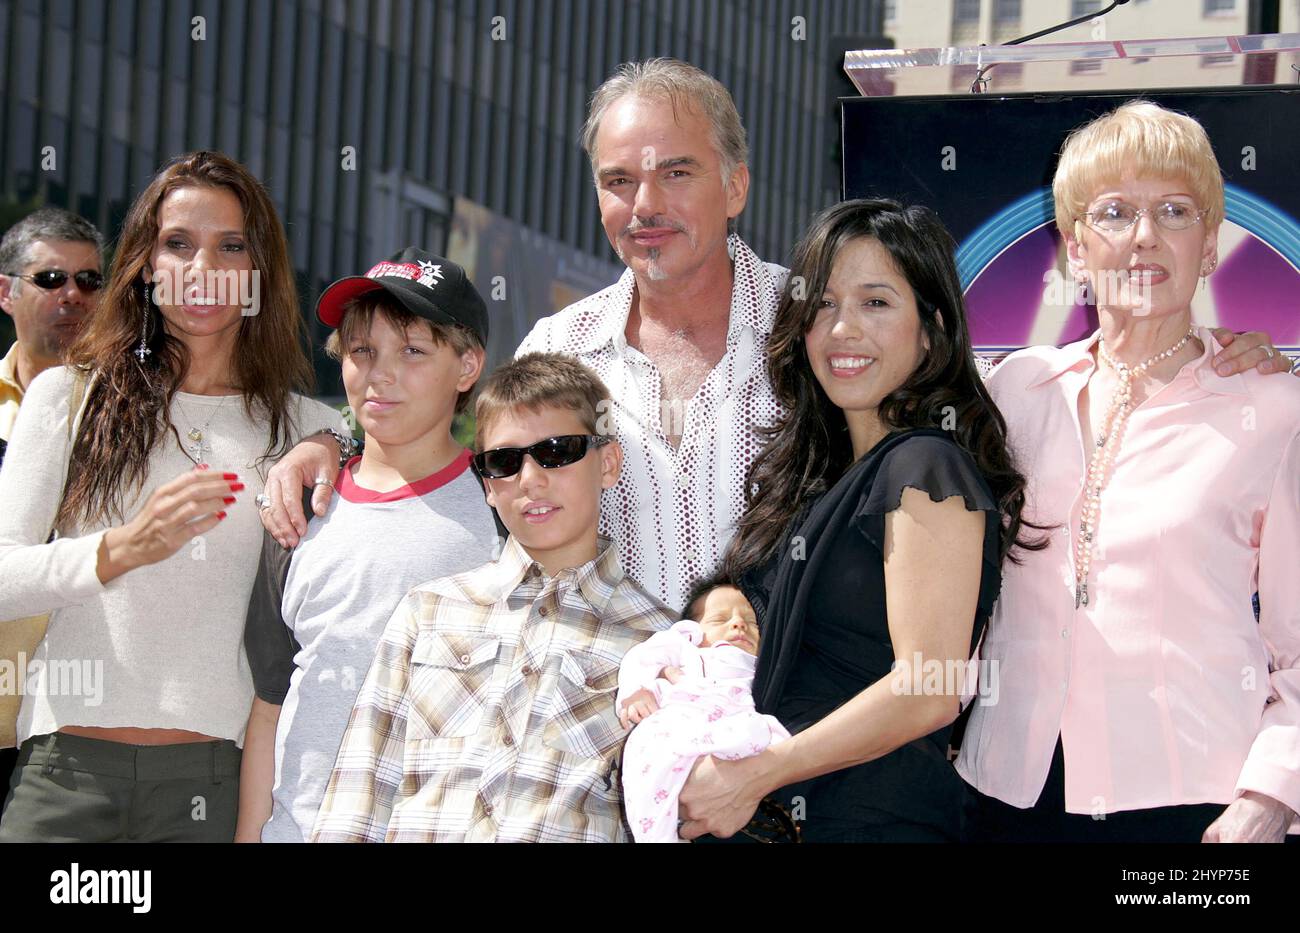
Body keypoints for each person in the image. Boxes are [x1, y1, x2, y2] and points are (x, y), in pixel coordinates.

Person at [256, 61, 1283, 614]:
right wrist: (334, 441)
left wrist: (1217, 349)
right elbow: (443, 434)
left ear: (737, 184)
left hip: (798, 766)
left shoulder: (830, 328)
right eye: (619, 181)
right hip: (609, 757)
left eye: (676, 173)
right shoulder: (556, 344)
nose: (644, 204)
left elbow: (991, 394)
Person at [956, 100, 1300, 843]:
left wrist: (1269, 798)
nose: (1144, 236)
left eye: (1174, 211)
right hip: (1008, 798)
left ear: (1209, 245)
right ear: (1076, 248)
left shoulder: (1274, 409)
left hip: (1194, 806)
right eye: (1114, 212)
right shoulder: (1014, 391)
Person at [0, 151, 344, 842]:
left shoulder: (310, 428)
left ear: (258, 270)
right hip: (64, 773)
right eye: (178, 244)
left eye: (230, 246)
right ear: (146, 264)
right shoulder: (66, 397)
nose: (202, 268)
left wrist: (337, 445)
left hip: (212, 782)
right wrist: (122, 547)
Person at [671, 198, 1037, 843]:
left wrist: (759, 773)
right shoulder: (808, 481)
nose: (842, 330)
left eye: (876, 303)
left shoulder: (925, 466)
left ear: (932, 327)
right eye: (824, 305)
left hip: (869, 819)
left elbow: (928, 688)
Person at [311, 352, 676, 843]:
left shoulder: (661, 643)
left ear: (607, 463)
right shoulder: (428, 611)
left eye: (557, 451)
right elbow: (358, 797)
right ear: (486, 484)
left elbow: (664, 814)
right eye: (503, 461)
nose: (530, 479)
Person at [234, 250, 499, 843]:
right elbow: (270, 703)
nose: (381, 374)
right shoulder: (299, 507)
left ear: (467, 366)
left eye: (413, 351)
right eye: (362, 351)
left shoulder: (503, 510)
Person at [0, 207, 104, 813]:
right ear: (6, 293)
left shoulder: (136, 417)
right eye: (50, 279)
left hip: (77, 734)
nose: (73, 295)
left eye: (90, 281)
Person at [617, 576, 789, 843]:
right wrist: (637, 690)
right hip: (680, 722)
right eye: (720, 620)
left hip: (730, 727)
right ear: (692, 630)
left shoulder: (760, 666)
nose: (738, 624)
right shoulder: (686, 649)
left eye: (751, 622)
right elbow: (642, 656)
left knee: (765, 732)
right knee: (646, 765)